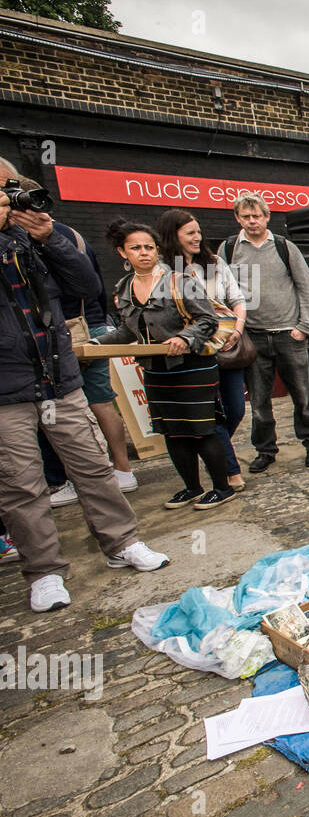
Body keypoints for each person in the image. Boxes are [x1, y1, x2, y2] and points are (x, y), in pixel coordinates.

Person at [0, 198, 169, 612]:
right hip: (6, 386)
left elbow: (86, 287)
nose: (8, 204)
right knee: (22, 483)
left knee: (92, 465)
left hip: (58, 374)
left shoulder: (36, 237)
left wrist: (47, 237)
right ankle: (44, 572)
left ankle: (122, 542)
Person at [0, 163, 138, 507]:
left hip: (74, 334)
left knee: (95, 406)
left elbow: (89, 286)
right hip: (25, 361)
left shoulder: (55, 233)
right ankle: (101, 474)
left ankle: (115, 473)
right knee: (84, 409)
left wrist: (46, 238)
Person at [95, 219, 235, 512]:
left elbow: (207, 319)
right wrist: (98, 343)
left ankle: (222, 487)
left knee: (201, 428)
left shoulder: (179, 281)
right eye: (135, 248)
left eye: (149, 246)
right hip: (155, 367)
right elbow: (126, 331)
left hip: (194, 364)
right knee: (172, 430)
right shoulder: (123, 288)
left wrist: (185, 338)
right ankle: (192, 487)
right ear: (123, 252)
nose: (144, 252)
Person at [219, 193, 309, 471]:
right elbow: (219, 291)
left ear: (267, 217)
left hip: (288, 333)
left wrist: (303, 327)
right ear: (238, 218)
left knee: (302, 395)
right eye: (246, 217)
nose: (252, 222)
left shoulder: (283, 246)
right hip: (252, 335)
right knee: (259, 400)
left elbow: (306, 287)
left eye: (257, 216)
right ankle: (265, 450)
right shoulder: (229, 249)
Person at [157, 208, 249, 492]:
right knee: (209, 414)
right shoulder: (162, 270)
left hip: (225, 346)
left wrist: (237, 330)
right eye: (190, 233)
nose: (198, 238)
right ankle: (229, 470)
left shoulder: (213, 262)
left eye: (199, 232)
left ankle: (215, 453)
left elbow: (237, 299)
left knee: (235, 410)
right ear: (173, 236)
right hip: (191, 354)